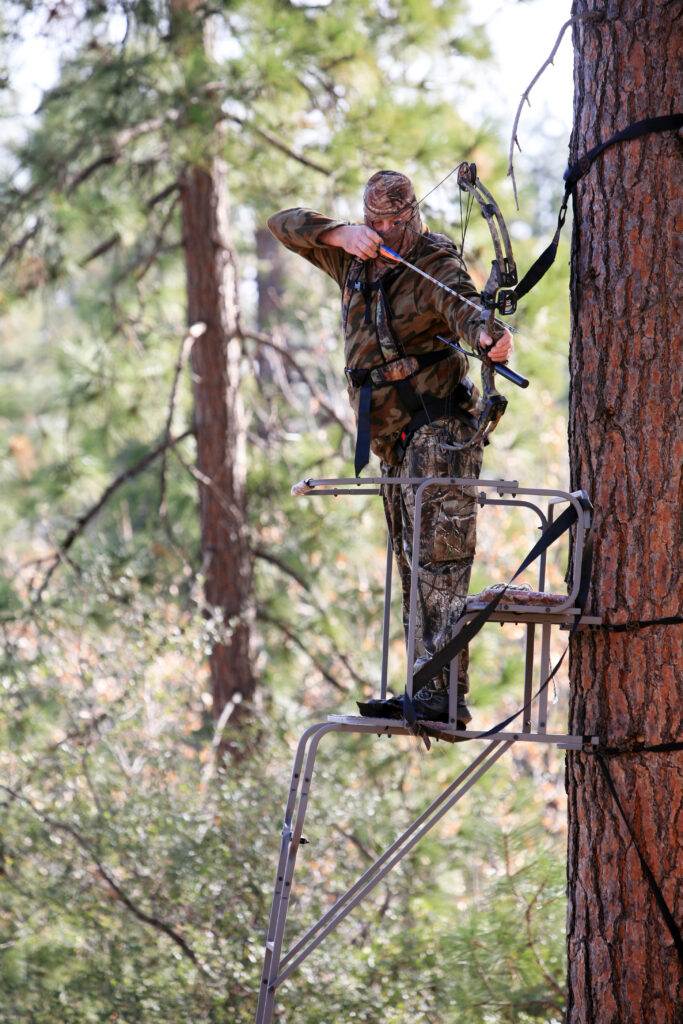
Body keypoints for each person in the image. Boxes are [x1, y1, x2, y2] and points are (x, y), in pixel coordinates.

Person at [267, 170, 513, 727]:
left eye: (394, 223)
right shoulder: (352, 256)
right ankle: (425, 691)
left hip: (439, 430)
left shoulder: (432, 262)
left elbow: (468, 309)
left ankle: (443, 699)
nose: (385, 232)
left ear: (412, 217)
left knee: (439, 563)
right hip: (396, 444)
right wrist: (339, 235)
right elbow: (280, 224)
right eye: (374, 222)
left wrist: (490, 337)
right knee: (412, 566)